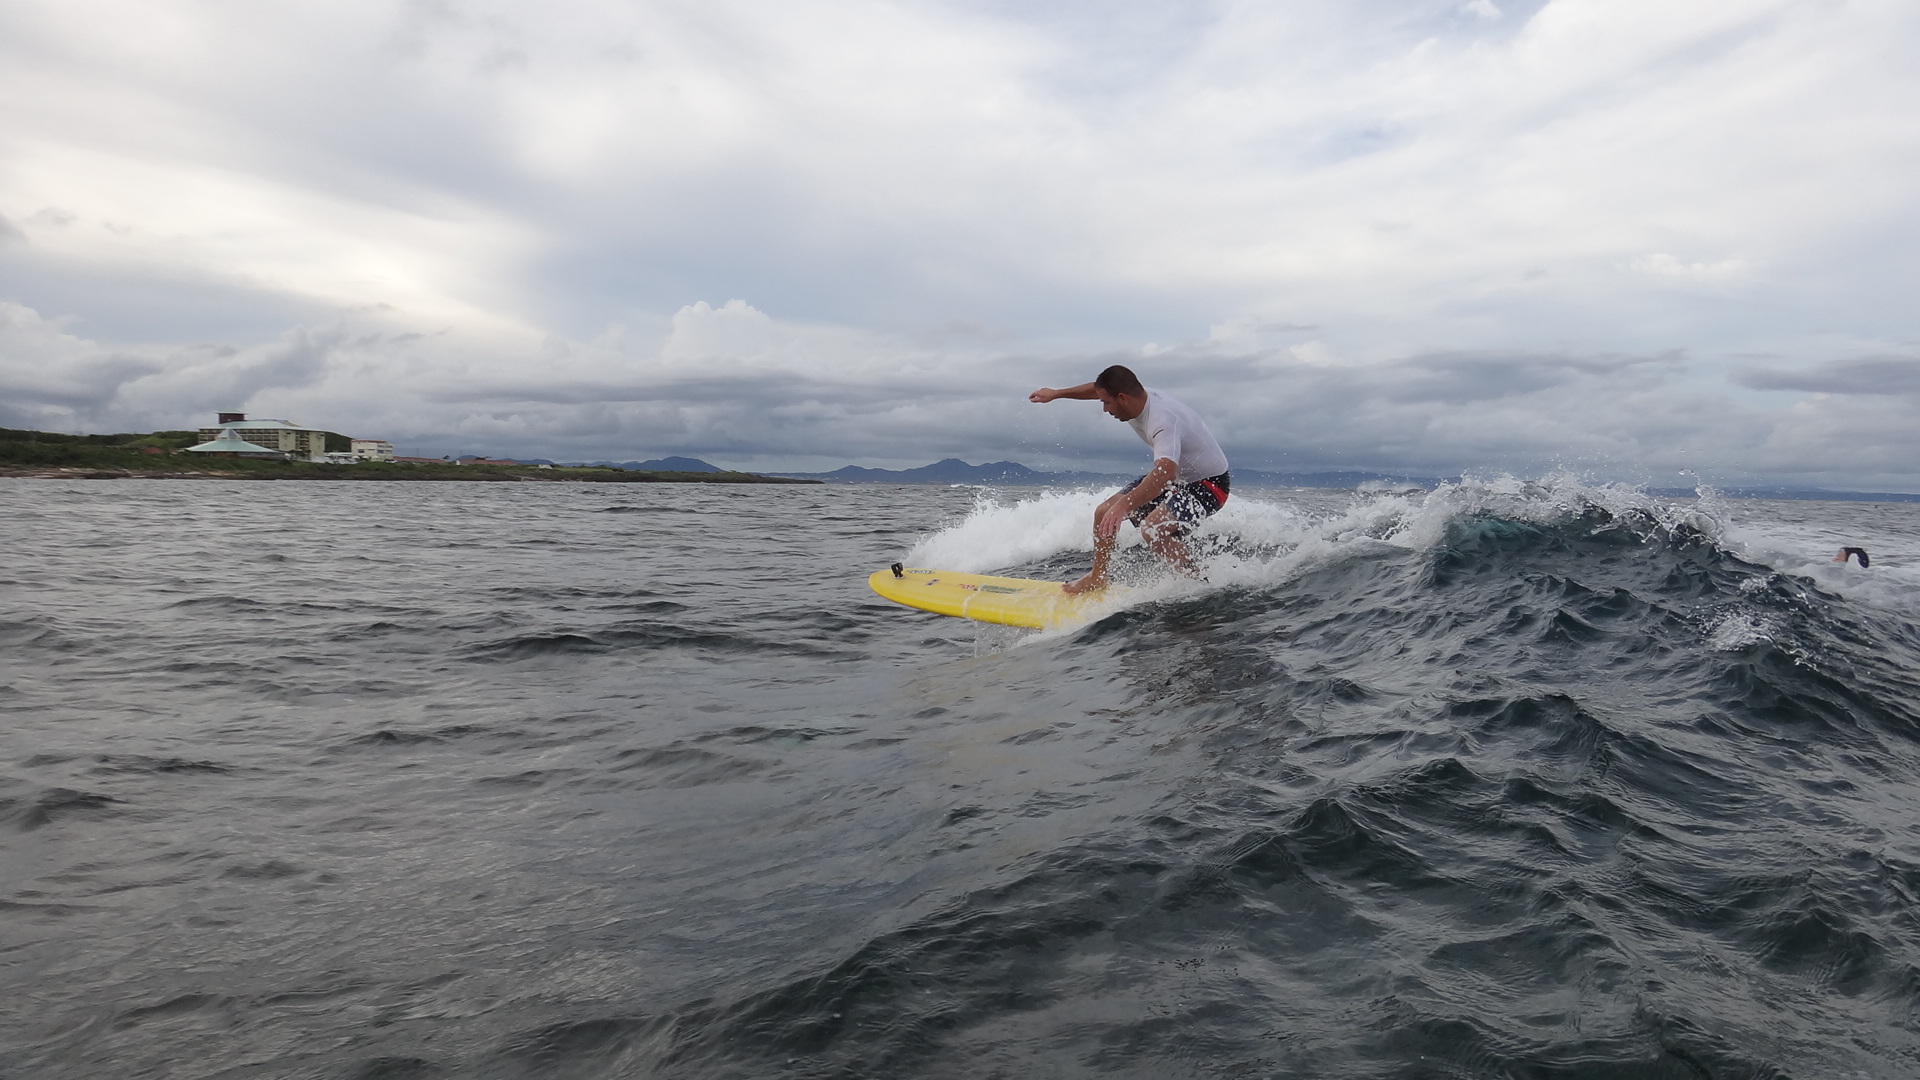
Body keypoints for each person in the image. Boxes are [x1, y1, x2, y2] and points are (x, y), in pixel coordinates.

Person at [1030, 365, 1230, 594]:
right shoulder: (1135, 395)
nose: (1104, 409)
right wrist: (1056, 393)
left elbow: (1165, 474)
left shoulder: (1162, 420)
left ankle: (1201, 585)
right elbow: (1096, 390)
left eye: (1107, 403)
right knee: (1103, 512)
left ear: (1122, 398)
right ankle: (1098, 577)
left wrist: (1124, 506)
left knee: (1153, 528)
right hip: (1179, 477)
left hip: (1211, 483)